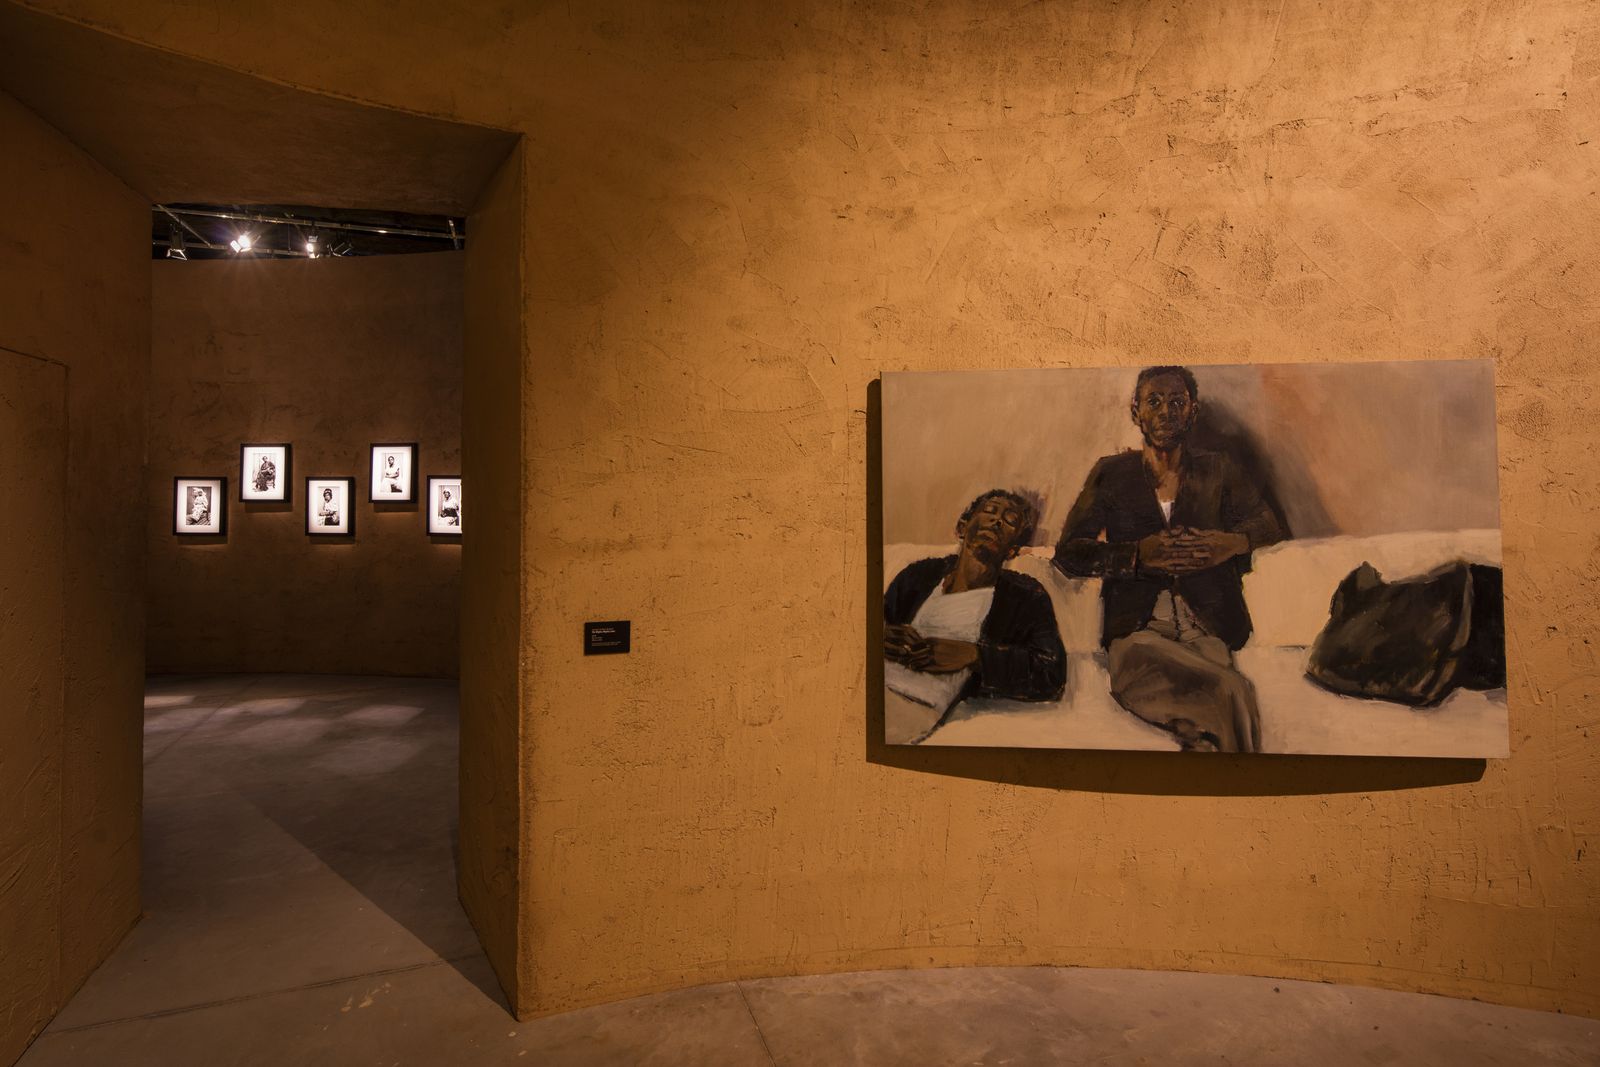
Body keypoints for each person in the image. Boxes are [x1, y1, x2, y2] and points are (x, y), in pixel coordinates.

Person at [1052, 366, 1285, 752]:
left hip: (1207, 629)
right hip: (1137, 634)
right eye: (1154, 402)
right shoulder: (1111, 474)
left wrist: (1230, 543)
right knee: (1231, 690)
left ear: (1192, 411)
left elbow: (1268, 524)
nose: (1166, 411)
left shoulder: (1217, 469)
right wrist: (1135, 556)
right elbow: (1070, 553)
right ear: (1135, 411)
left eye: (1177, 402)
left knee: (1210, 725)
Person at [884, 489, 1066, 735]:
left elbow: (1051, 674)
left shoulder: (1026, 597)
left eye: (1010, 520)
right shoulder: (918, 576)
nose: (997, 520)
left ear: (1012, 551)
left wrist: (975, 656)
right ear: (962, 528)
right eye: (989, 512)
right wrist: (884, 637)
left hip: (922, 709)